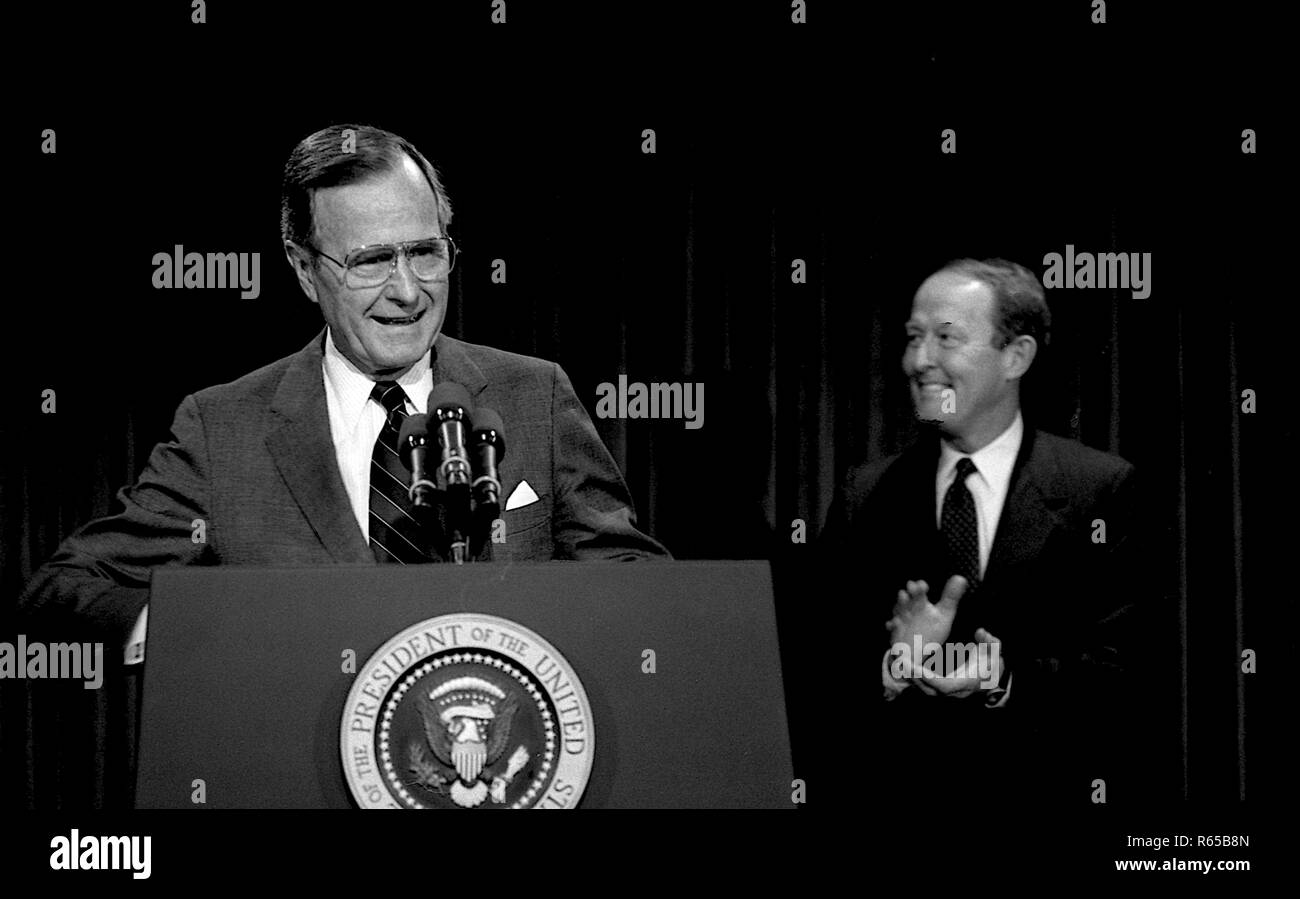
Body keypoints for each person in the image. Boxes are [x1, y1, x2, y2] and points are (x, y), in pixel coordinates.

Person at [19, 123, 669, 655]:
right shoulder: (223, 430)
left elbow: (639, 589)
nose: (409, 290)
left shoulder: (536, 398)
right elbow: (65, 587)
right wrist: (199, 635)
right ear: (305, 270)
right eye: (372, 260)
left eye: (426, 251)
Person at [820, 258, 1152, 805]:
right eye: (913, 338)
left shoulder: (1101, 490)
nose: (919, 360)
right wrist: (891, 668)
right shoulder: (866, 494)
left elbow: (1127, 674)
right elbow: (816, 672)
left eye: (946, 338)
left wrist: (1004, 679)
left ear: (1015, 356)